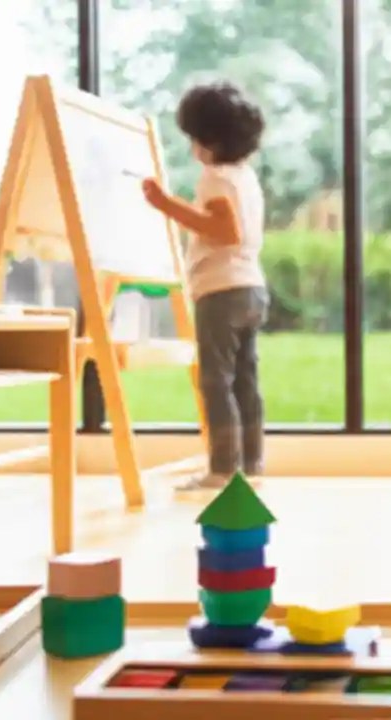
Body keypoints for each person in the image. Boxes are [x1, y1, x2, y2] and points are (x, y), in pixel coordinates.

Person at [141, 81, 268, 491]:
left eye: (194, 139)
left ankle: (223, 469)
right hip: (251, 287)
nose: (193, 148)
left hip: (221, 290)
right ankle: (251, 463)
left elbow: (224, 231)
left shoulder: (214, 179)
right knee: (245, 380)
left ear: (211, 141)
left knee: (216, 381)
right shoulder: (245, 177)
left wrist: (166, 205)